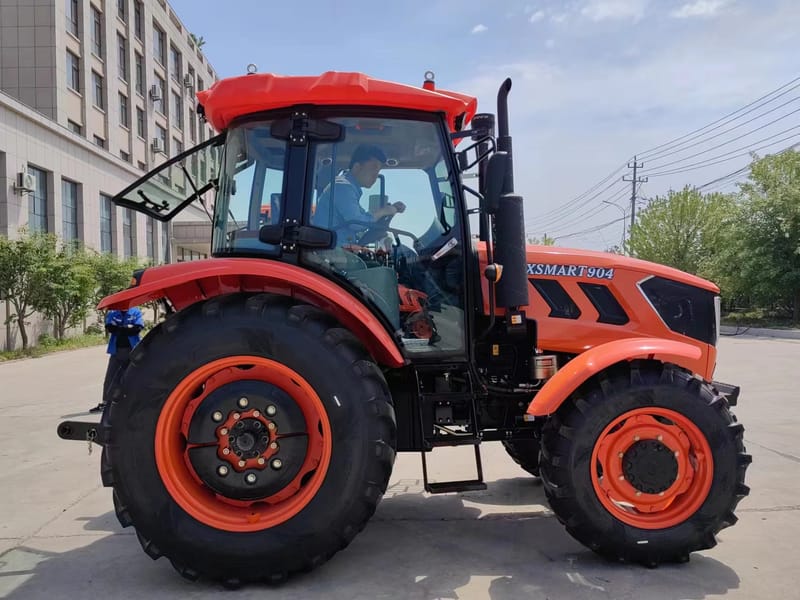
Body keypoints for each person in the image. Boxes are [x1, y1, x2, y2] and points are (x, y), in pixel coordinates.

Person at [312, 144, 406, 246]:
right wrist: (384, 211)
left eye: (378, 170)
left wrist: (390, 210)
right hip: (329, 251)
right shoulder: (343, 187)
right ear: (357, 167)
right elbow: (357, 223)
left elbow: (362, 219)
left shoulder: (348, 188)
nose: (376, 175)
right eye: (373, 168)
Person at [89, 306, 144, 413]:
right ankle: (105, 404)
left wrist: (120, 328)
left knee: (134, 377)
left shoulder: (136, 312)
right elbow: (110, 328)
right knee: (110, 377)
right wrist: (127, 328)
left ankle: (136, 403)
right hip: (117, 351)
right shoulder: (113, 312)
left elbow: (137, 329)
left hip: (132, 350)